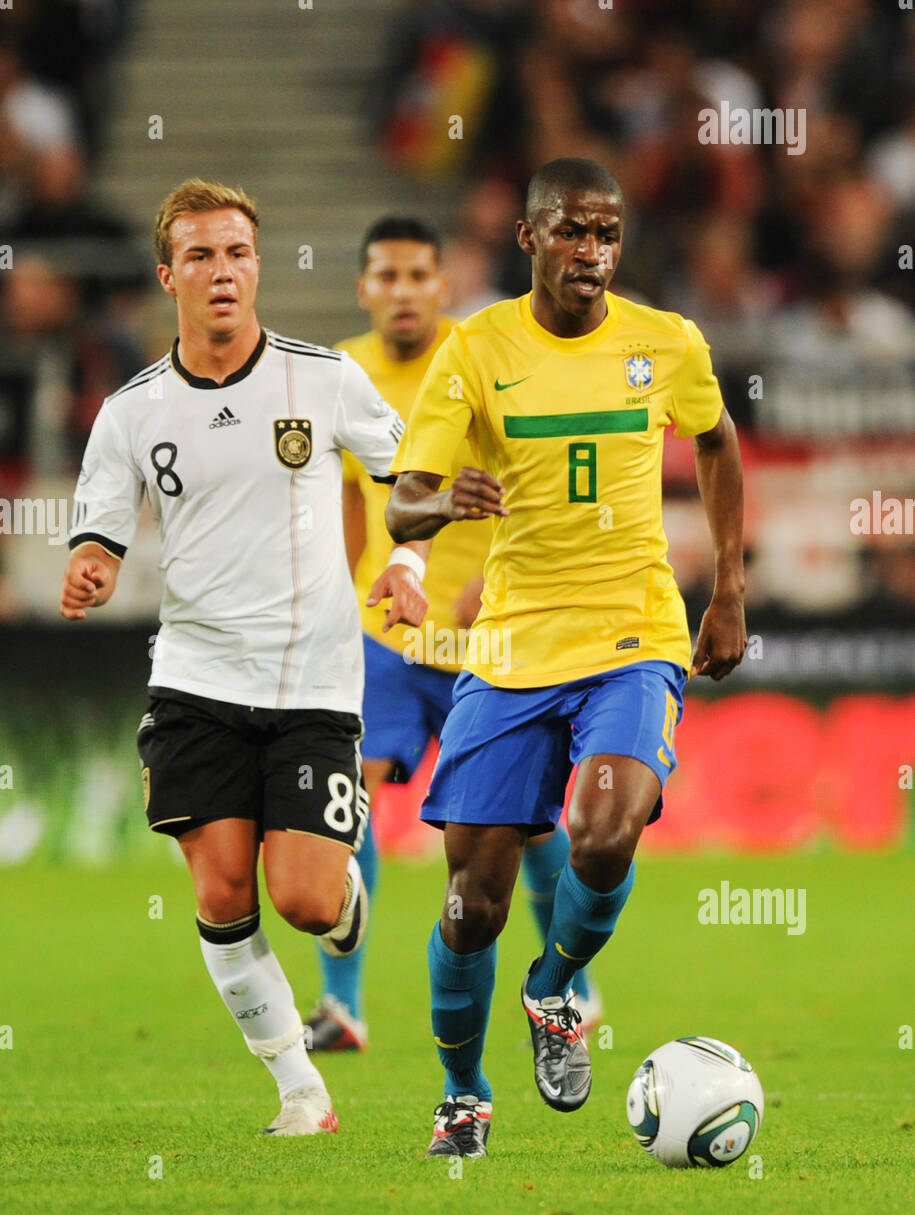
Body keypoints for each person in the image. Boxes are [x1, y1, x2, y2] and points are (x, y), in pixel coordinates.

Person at [386, 157, 747, 1158]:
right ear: (528, 237)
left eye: (607, 233)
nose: (592, 252)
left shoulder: (665, 343)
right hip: (511, 646)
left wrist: (730, 589)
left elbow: (717, 443)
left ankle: (554, 985)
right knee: (471, 905)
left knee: (605, 828)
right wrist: (439, 500)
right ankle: (462, 1093)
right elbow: (402, 498)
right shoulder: (476, 349)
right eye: (572, 232)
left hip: (634, 630)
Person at [59, 179, 427, 1137]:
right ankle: (299, 1091)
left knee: (303, 901)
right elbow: (99, 532)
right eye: (200, 256)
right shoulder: (130, 411)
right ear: (166, 275)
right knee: (223, 893)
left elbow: (408, 480)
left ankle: (341, 900)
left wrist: (407, 560)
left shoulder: (323, 378)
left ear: (257, 266)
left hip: (312, 680)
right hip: (196, 679)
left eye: (236, 254)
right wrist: (92, 570)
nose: (220, 273)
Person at [307, 215, 600, 1052]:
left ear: (442, 284)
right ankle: (343, 1006)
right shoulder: (338, 372)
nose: (401, 292)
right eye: (385, 277)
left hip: (488, 634)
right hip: (387, 636)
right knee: (346, 802)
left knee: (524, 826)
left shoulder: (483, 358)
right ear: (364, 288)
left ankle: (568, 981)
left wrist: (494, 579)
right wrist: (341, 592)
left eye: (417, 276)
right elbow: (349, 504)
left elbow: (541, 479)